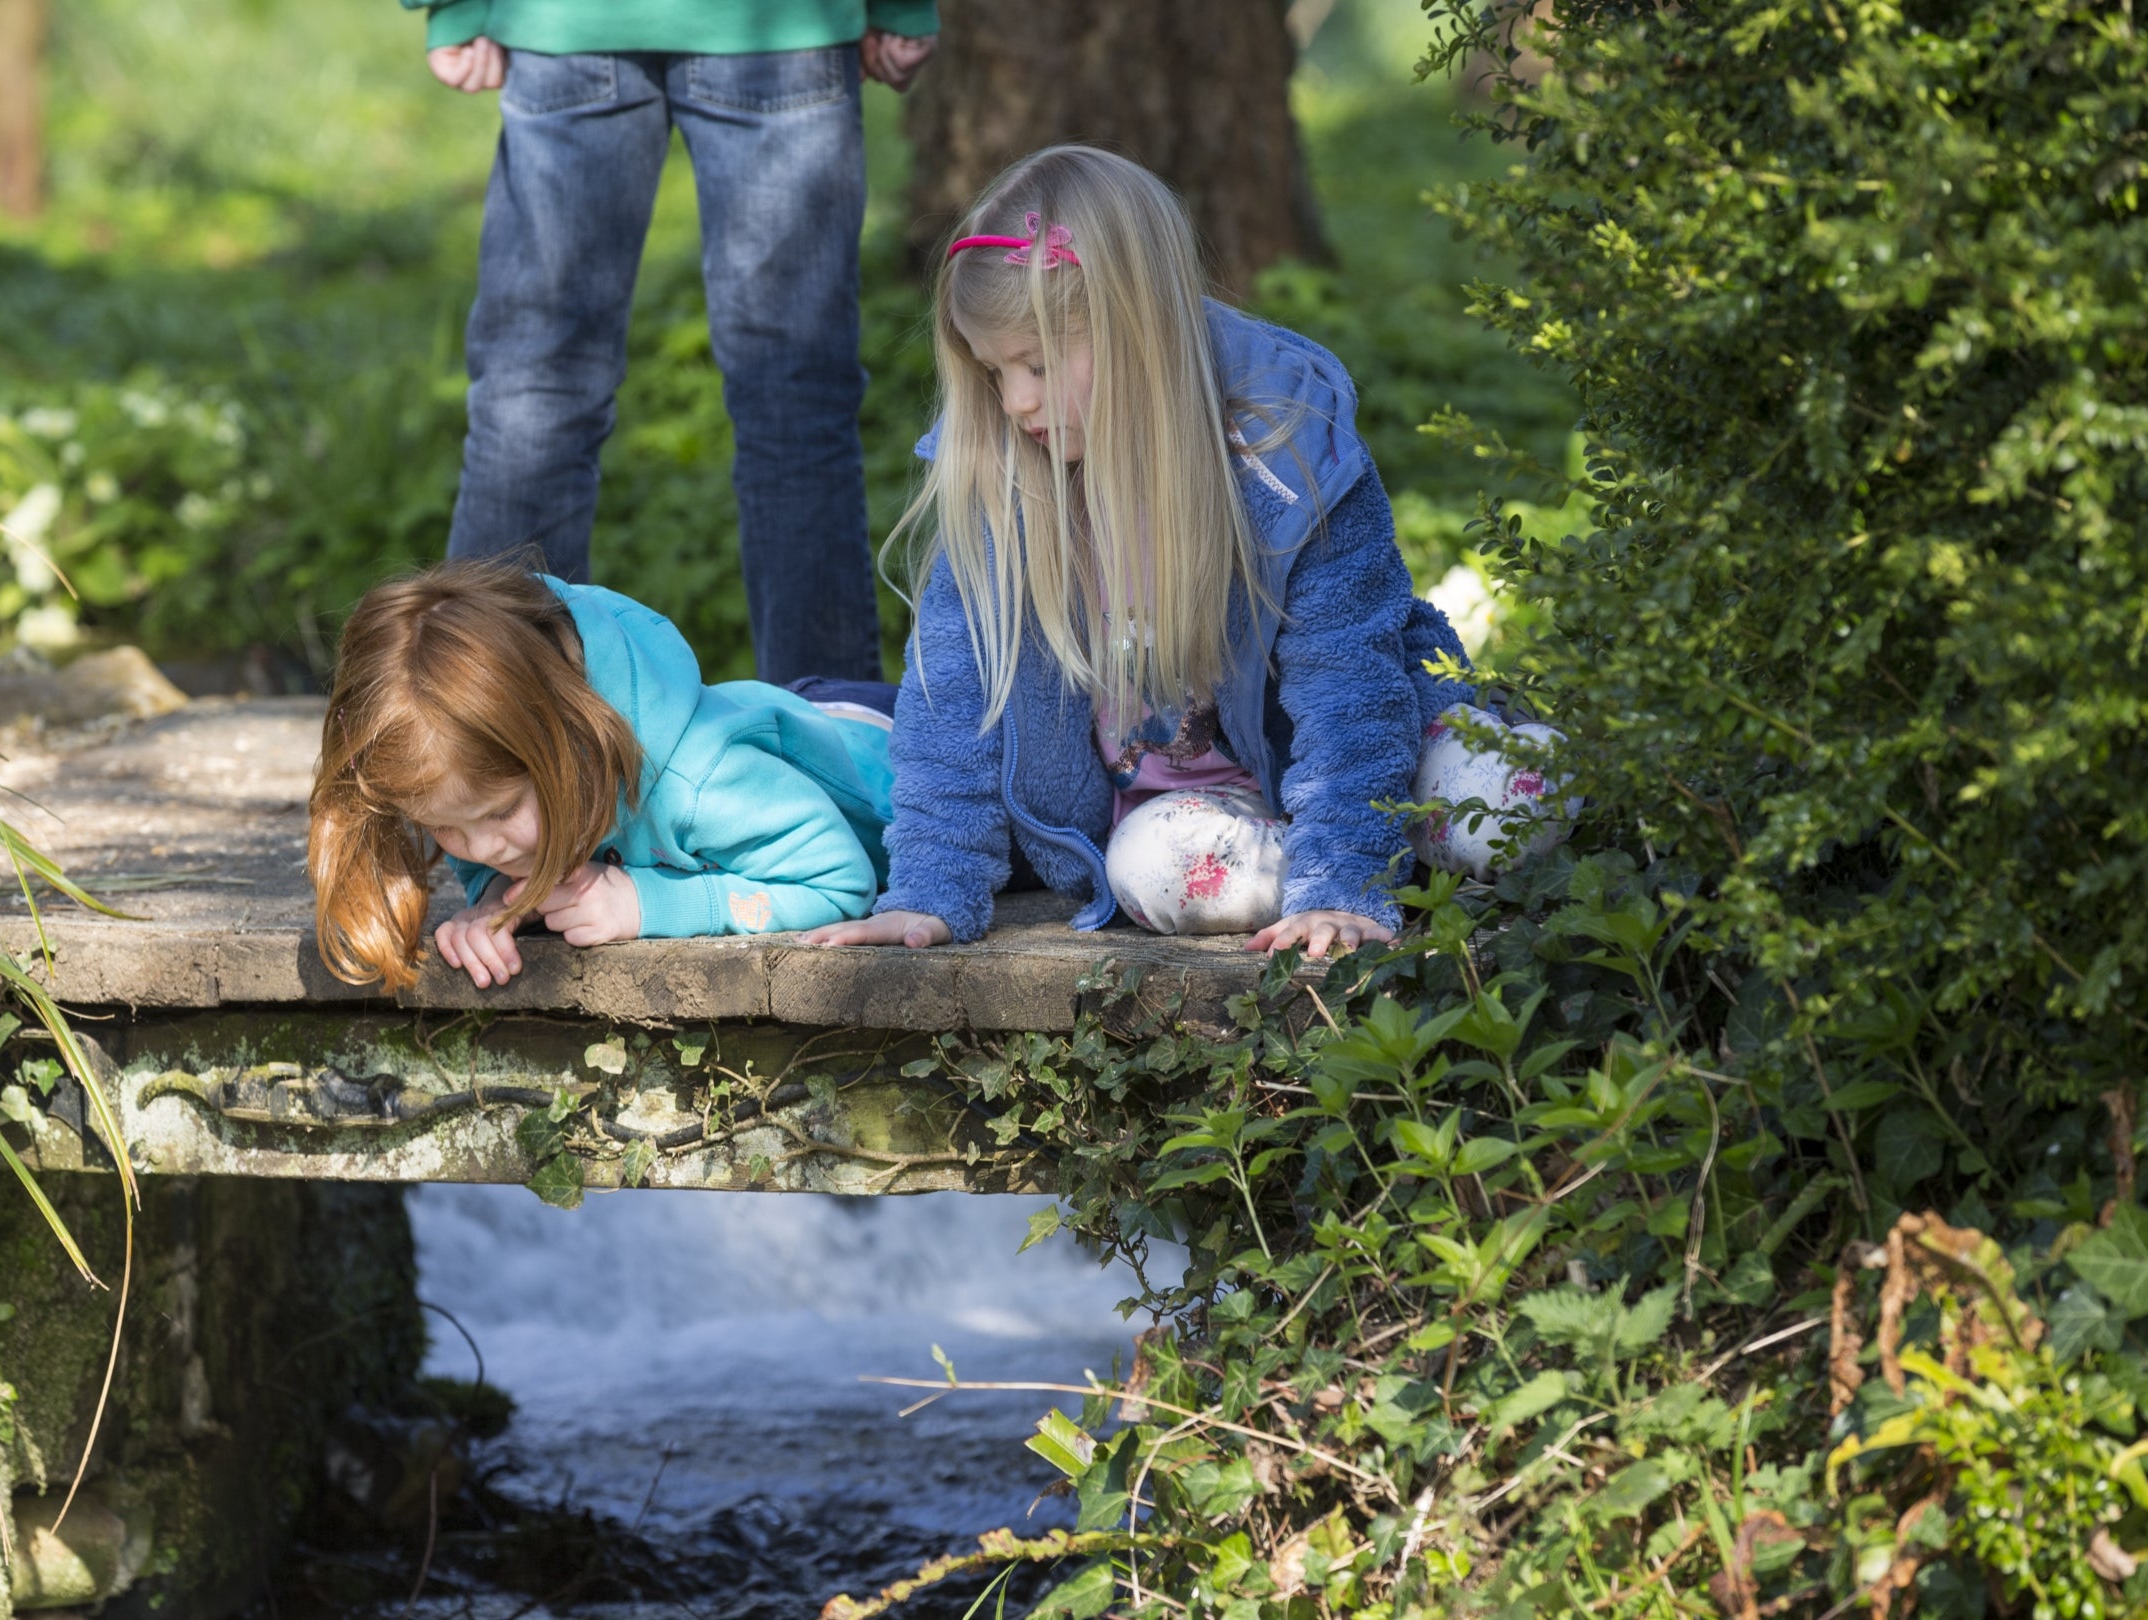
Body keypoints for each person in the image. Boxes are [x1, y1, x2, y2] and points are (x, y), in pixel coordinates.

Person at [805, 146, 1545, 960]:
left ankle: (1373, 853)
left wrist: (1341, 884)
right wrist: (930, 892)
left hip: (1362, 766)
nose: (1015, 402)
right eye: (993, 373)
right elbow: (954, 699)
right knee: (1153, 870)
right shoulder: (1005, 487)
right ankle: (1380, 863)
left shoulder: (1286, 459)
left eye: (1039, 365)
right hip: (1200, 814)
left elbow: (1349, 686)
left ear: (1137, 332)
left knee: (1508, 804)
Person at [408, 0, 941, 685]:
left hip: (568, 25)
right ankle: (827, 748)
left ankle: (482, 720)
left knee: (537, 389)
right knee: (795, 403)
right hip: (778, 29)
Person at [309, 560, 898, 991]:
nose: (483, 847)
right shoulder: (493, 798)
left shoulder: (700, 785)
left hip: (885, 735)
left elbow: (841, 884)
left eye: (502, 810)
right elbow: (484, 843)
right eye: (443, 826)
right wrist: (500, 901)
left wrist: (651, 905)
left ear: (566, 739)